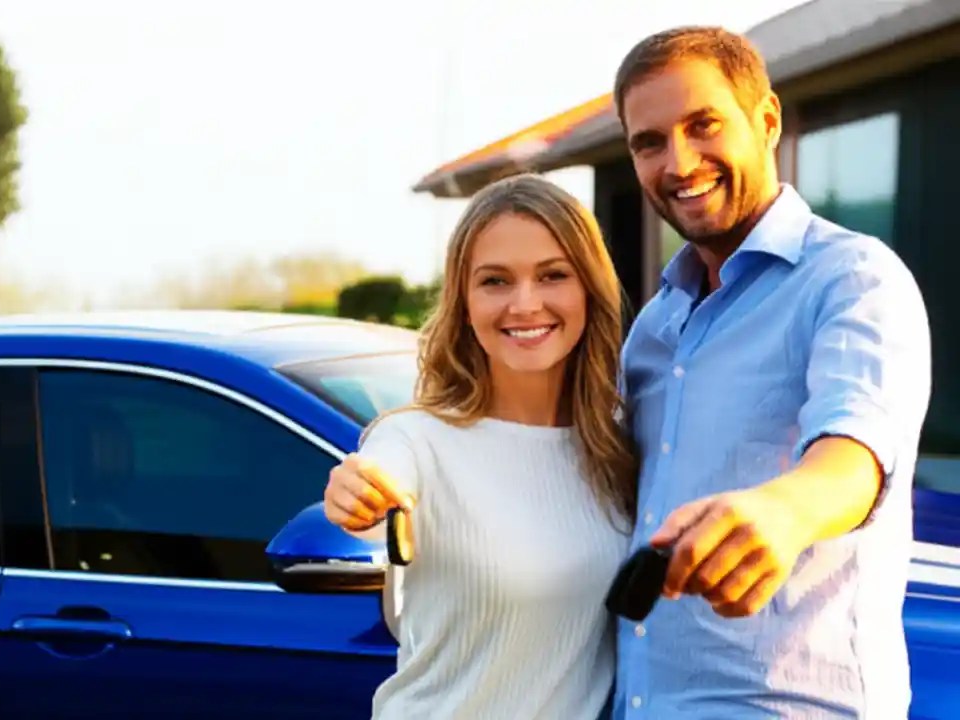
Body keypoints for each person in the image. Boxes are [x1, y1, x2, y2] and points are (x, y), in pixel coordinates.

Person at [331, 24, 933, 719]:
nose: (678, 161)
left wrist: (784, 510)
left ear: (766, 120)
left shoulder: (852, 279)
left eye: (703, 125)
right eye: (649, 142)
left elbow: (858, 452)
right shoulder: (656, 330)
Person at [323, 172, 637, 719]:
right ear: (464, 300)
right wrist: (355, 494)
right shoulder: (414, 441)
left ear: (589, 287)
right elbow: (377, 484)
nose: (525, 303)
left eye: (553, 275)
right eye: (495, 281)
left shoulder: (619, 442)